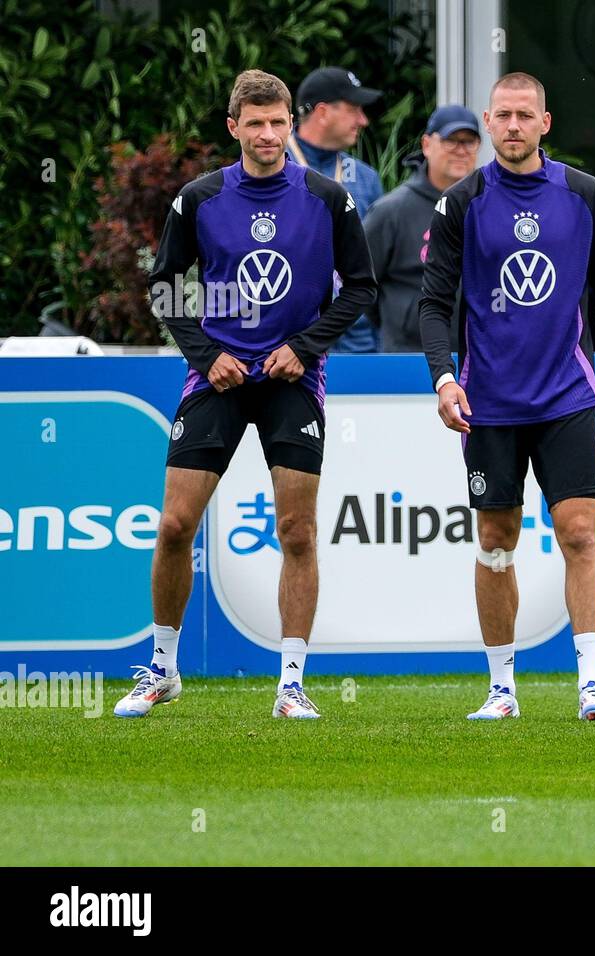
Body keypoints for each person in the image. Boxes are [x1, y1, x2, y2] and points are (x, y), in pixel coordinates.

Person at [117, 70, 376, 720]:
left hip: (294, 380)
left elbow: (363, 289)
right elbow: (165, 287)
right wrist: (209, 356)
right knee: (176, 524)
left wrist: (306, 346)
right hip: (218, 378)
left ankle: (291, 684)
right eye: (254, 124)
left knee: (295, 530)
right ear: (233, 128)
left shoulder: (328, 198)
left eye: (277, 122)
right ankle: (163, 669)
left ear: (292, 124)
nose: (267, 135)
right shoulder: (200, 198)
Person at [418, 72, 595, 722]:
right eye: (503, 115)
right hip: (489, 403)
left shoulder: (582, 193)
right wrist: (443, 376)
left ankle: (592, 685)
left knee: (579, 533)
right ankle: (501, 688)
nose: (513, 126)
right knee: (496, 537)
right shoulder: (461, 201)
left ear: (546, 123)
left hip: (569, 398)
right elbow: (434, 302)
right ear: (489, 122)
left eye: (526, 115)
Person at [366, 105, 481, 353]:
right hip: (409, 358)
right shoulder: (391, 211)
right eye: (452, 141)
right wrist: (404, 322)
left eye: (469, 142)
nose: (461, 150)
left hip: (475, 356)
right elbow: (360, 284)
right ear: (427, 144)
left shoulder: (487, 207)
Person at [289, 66, 385, 352]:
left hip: (358, 345)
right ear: (322, 112)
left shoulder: (366, 178)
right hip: (290, 345)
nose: (363, 120)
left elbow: (379, 264)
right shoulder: (272, 167)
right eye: (354, 109)